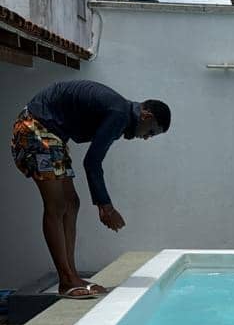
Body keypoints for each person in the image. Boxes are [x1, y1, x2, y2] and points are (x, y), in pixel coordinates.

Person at [11, 79, 171, 300]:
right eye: (150, 132)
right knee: (56, 204)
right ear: (146, 116)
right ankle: (66, 279)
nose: (145, 138)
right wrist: (105, 207)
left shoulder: (120, 112)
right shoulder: (119, 114)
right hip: (35, 127)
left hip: (52, 134)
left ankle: (72, 276)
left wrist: (103, 205)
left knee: (72, 203)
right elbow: (92, 162)